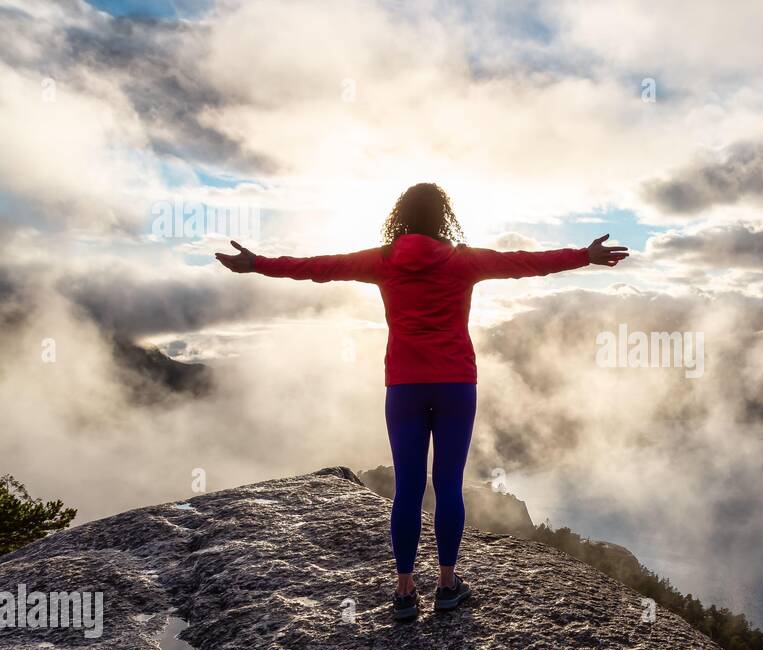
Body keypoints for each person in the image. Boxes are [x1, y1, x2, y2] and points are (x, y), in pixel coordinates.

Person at [216, 182, 628, 620]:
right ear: (442, 218)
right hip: (455, 384)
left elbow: (317, 267)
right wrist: (584, 256)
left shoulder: (383, 261)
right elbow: (524, 264)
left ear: (401, 217)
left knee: (408, 489)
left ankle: (404, 590)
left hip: (405, 387)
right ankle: (447, 585)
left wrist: (256, 263)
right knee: (448, 484)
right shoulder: (463, 261)